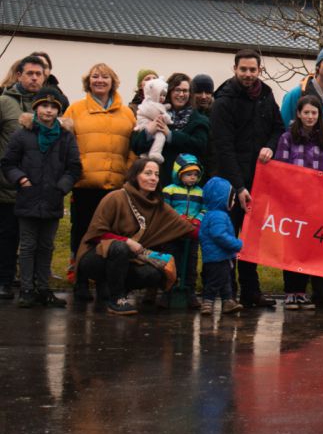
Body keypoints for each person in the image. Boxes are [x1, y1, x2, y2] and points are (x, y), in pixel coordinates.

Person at [208, 49, 285, 309]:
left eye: (253, 70)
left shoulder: (266, 94)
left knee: (253, 239)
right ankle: (228, 293)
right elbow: (223, 147)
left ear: (259, 70)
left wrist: (271, 147)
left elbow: (278, 127)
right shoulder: (224, 101)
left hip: (259, 180)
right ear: (235, 69)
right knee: (228, 237)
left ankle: (251, 291)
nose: (248, 74)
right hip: (229, 181)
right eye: (244, 70)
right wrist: (239, 187)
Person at [74, 158, 195, 315]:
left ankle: (117, 289)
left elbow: (186, 228)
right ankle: (117, 299)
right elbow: (97, 233)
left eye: (157, 174)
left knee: (154, 274)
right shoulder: (116, 197)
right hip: (96, 257)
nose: (153, 178)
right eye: (148, 173)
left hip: (128, 260)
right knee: (120, 248)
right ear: (135, 175)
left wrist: (216, 232)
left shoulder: (158, 205)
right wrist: (126, 241)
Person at [63, 63, 136, 302]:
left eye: (105, 77)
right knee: (82, 235)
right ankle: (81, 281)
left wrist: (127, 175)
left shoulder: (126, 113)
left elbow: (132, 150)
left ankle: (104, 281)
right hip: (85, 185)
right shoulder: (75, 110)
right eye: (95, 76)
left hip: (114, 187)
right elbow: (66, 146)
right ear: (88, 81)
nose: (100, 81)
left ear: (112, 81)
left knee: (109, 236)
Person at [2, 85, 79, 307]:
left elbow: (74, 167)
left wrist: (61, 187)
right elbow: (8, 162)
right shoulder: (22, 135)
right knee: (27, 245)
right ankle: (27, 288)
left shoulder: (65, 137)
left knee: (46, 245)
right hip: (27, 198)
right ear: (36, 109)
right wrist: (21, 180)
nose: (48, 111)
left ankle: (43, 287)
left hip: (52, 199)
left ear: (59, 111)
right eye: (44, 106)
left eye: (53, 107)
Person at [274, 95, 323, 309]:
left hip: (316, 204)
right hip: (292, 202)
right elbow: (281, 170)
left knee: (308, 248)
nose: (310, 116)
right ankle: (291, 291)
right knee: (291, 246)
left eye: (314, 113)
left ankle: (302, 291)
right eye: (306, 112)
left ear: (319, 115)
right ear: (299, 114)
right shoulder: (287, 138)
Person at [0, 55, 47, 300]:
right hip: (8, 183)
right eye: (29, 73)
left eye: (39, 74)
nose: (34, 78)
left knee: (33, 239)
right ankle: (4, 280)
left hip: (38, 185)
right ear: (19, 75)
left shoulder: (48, 104)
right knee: (7, 236)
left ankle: (33, 283)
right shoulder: (4, 102)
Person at [131, 73, 210, 185]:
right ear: (169, 91)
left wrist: (170, 135)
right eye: (177, 90)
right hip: (158, 181)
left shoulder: (199, 120)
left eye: (185, 91)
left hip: (186, 185)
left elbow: (199, 146)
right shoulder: (154, 113)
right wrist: (149, 131)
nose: (181, 94)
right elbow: (136, 146)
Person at [160, 154, 205, 309]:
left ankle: (190, 291)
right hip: (172, 232)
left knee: (191, 263)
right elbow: (164, 209)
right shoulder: (169, 190)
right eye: (188, 174)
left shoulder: (200, 192)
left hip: (191, 232)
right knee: (171, 260)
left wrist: (197, 219)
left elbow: (204, 209)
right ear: (178, 174)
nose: (193, 178)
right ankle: (167, 291)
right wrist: (178, 218)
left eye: (195, 175)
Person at [198, 175, 244, 316]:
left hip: (214, 256)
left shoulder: (210, 214)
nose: (234, 201)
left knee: (225, 280)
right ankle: (207, 303)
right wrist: (237, 244)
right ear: (222, 198)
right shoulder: (219, 216)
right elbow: (219, 235)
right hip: (218, 257)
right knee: (215, 281)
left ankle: (227, 302)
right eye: (232, 197)